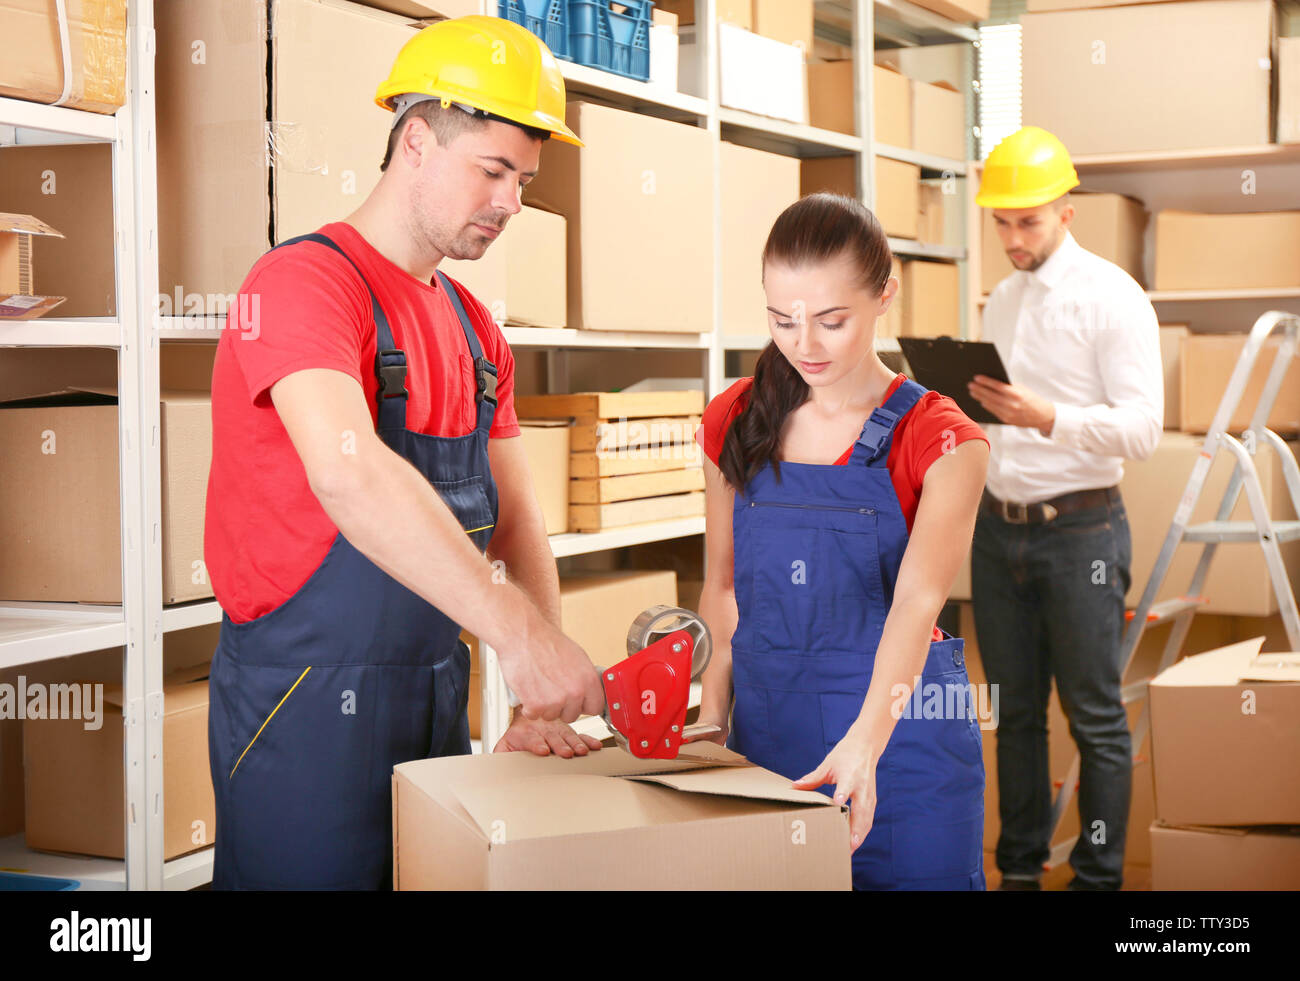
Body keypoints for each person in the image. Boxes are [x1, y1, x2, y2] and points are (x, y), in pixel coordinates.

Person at [203, 16, 605, 891]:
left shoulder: (473, 330)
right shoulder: (298, 286)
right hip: (298, 713)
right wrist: (516, 633)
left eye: (525, 180)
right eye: (492, 170)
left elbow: (518, 521)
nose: (511, 203)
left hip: (433, 699)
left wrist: (537, 677)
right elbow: (351, 471)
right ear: (416, 141)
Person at [691, 193, 991, 890]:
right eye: (782, 320)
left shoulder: (942, 437)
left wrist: (864, 745)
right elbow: (724, 585)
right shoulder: (733, 418)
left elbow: (916, 604)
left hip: (900, 742)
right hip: (769, 737)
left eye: (832, 319)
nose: (805, 344)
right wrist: (711, 716)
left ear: (886, 294)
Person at [969, 126, 1163, 890]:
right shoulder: (1003, 303)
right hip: (999, 529)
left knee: (1095, 718)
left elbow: (1142, 427)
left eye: (1029, 222)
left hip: (1080, 529)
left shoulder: (1112, 297)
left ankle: (1097, 878)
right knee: (1014, 715)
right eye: (1002, 222)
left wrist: (1048, 417)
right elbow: (997, 420)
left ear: (1067, 212)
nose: (1013, 239)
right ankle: (1019, 870)